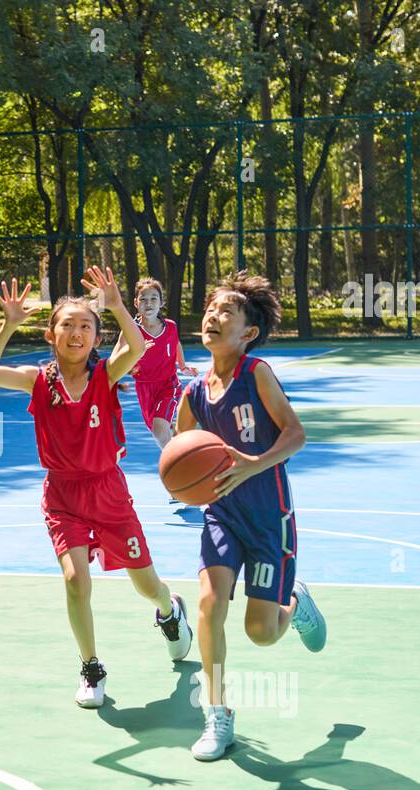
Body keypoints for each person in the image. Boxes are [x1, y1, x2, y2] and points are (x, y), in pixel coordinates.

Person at [0, 267, 193, 709]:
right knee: (76, 581)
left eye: (86, 326)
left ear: (96, 338)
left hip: (108, 491)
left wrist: (115, 306)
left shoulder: (106, 376)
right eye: (67, 325)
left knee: (145, 585)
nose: (76, 332)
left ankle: (169, 611)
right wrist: (8, 325)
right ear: (51, 335)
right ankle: (91, 666)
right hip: (63, 495)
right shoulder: (38, 380)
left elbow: (137, 345)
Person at [173, 272, 327, 761]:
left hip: (267, 517)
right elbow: (179, 451)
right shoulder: (194, 392)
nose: (214, 317)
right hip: (221, 516)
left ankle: (294, 603)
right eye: (210, 310)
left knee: (260, 633)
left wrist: (252, 464)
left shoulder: (255, 372)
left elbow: (296, 434)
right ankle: (217, 715)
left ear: (247, 333)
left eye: (227, 313)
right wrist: (184, 480)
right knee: (209, 604)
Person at [127, 277, 197, 449]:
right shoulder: (131, 331)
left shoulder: (170, 327)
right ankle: (186, 437)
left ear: (161, 302)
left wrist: (182, 366)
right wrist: (130, 365)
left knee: (159, 431)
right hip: (143, 387)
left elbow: (176, 343)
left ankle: (176, 462)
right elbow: (121, 358)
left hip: (168, 384)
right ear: (136, 303)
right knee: (158, 430)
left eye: (153, 299)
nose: (148, 303)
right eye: (143, 299)